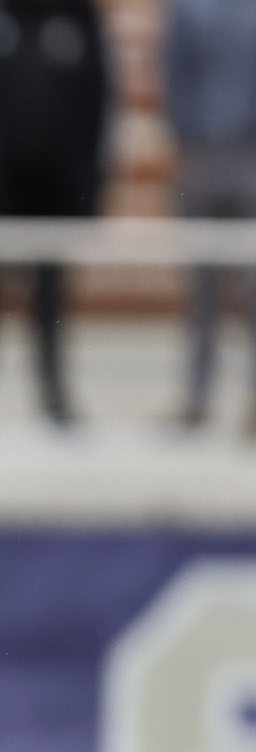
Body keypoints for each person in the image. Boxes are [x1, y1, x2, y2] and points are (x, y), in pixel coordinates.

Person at [0, 0, 116, 428]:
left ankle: (54, 397)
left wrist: (91, 178)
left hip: (57, 187)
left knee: (52, 297)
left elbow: (104, 101)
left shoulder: (81, 20)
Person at [164, 0, 256, 434]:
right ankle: (198, 395)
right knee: (202, 286)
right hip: (202, 154)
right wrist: (189, 137)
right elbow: (176, 77)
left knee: (252, 285)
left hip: (249, 155)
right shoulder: (189, 9)